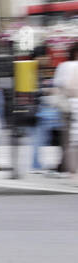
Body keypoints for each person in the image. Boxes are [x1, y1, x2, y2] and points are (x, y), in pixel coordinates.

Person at [54, 43, 78, 176]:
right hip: (71, 106)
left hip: (66, 107)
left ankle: (67, 166)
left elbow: (57, 85)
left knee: (67, 139)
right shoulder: (70, 66)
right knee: (71, 139)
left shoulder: (63, 66)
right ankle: (69, 168)